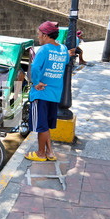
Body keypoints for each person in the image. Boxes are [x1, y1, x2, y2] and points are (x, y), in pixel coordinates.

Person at [25, 21, 75, 162]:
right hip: (54, 94)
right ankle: (50, 152)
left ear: (46, 35)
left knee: (41, 126)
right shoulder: (63, 49)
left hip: (41, 93)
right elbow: (65, 60)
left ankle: (41, 153)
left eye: (39, 34)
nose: (38, 37)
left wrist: (36, 83)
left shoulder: (44, 49)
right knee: (46, 124)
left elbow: (34, 68)